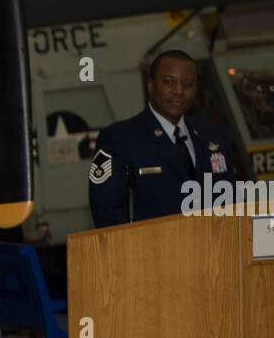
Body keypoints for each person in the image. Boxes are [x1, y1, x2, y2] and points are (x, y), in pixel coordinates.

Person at [88, 49, 237, 227]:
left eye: (188, 84)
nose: (179, 91)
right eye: (169, 82)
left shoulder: (212, 135)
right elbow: (107, 215)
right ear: (150, 86)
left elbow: (233, 202)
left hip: (214, 249)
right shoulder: (119, 139)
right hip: (151, 252)